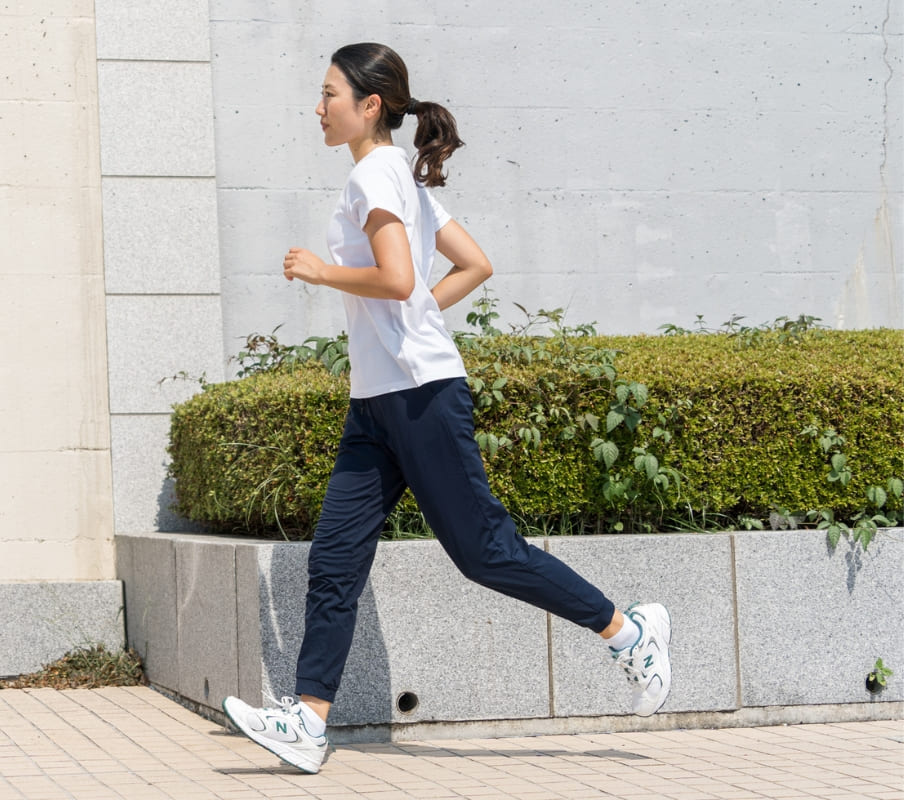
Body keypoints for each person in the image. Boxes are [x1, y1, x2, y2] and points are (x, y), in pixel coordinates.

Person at [222, 42, 671, 775]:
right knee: (335, 558)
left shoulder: (375, 176)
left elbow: (399, 279)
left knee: (485, 552)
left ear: (370, 104)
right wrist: (418, 318)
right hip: (377, 402)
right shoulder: (401, 177)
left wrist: (323, 272)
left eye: (329, 93)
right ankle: (307, 721)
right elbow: (474, 264)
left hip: (421, 396)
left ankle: (629, 633)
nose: (318, 107)